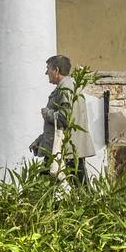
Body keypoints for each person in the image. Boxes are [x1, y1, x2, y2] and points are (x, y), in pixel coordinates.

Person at [30, 54, 96, 186]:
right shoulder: (68, 87)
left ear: (56, 70)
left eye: (48, 68)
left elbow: (64, 118)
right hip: (64, 147)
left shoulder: (66, 89)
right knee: (75, 185)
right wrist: (39, 141)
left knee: (77, 186)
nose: (46, 72)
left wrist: (47, 113)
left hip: (66, 148)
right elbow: (59, 125)